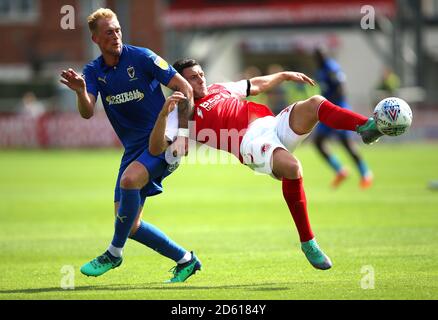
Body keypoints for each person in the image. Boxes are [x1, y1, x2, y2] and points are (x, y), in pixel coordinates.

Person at [149, 58, 383, 271]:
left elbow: (255, 85)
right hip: (249, 143)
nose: (201, 79)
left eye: (201, 74)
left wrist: (282, 76)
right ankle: (308, 242)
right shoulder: (179, 113)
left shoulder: (219, 88)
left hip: (272, 123)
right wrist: (162, 117)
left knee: (315, 103)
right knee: (293, 168)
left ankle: (365, 127)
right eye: (193, 77)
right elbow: (157, 147)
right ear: (180, 84)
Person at [59, 8, 201, 283]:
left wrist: (183, 135)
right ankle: (186, 259)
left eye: (118, 30)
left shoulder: (143, 57)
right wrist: (79, 91)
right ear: (95, 39)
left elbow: (185, 88)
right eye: (108, 32)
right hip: (133, 150)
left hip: (161, 142)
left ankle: (113, 253)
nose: (115, 36)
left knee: (129, 181)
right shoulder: (93, 71)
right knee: (129, 224)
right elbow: (87, 112)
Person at [313, 48, 374, 189]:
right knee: (318, 141)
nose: (317, 59)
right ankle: (340, 170)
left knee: (345, 143)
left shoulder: (332, 67)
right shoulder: (319, 70)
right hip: (327, 111)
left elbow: (341, 87)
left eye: (319, 56)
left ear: (324, 55)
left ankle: (366, 173)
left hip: (338, 108)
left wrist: (335, 108)